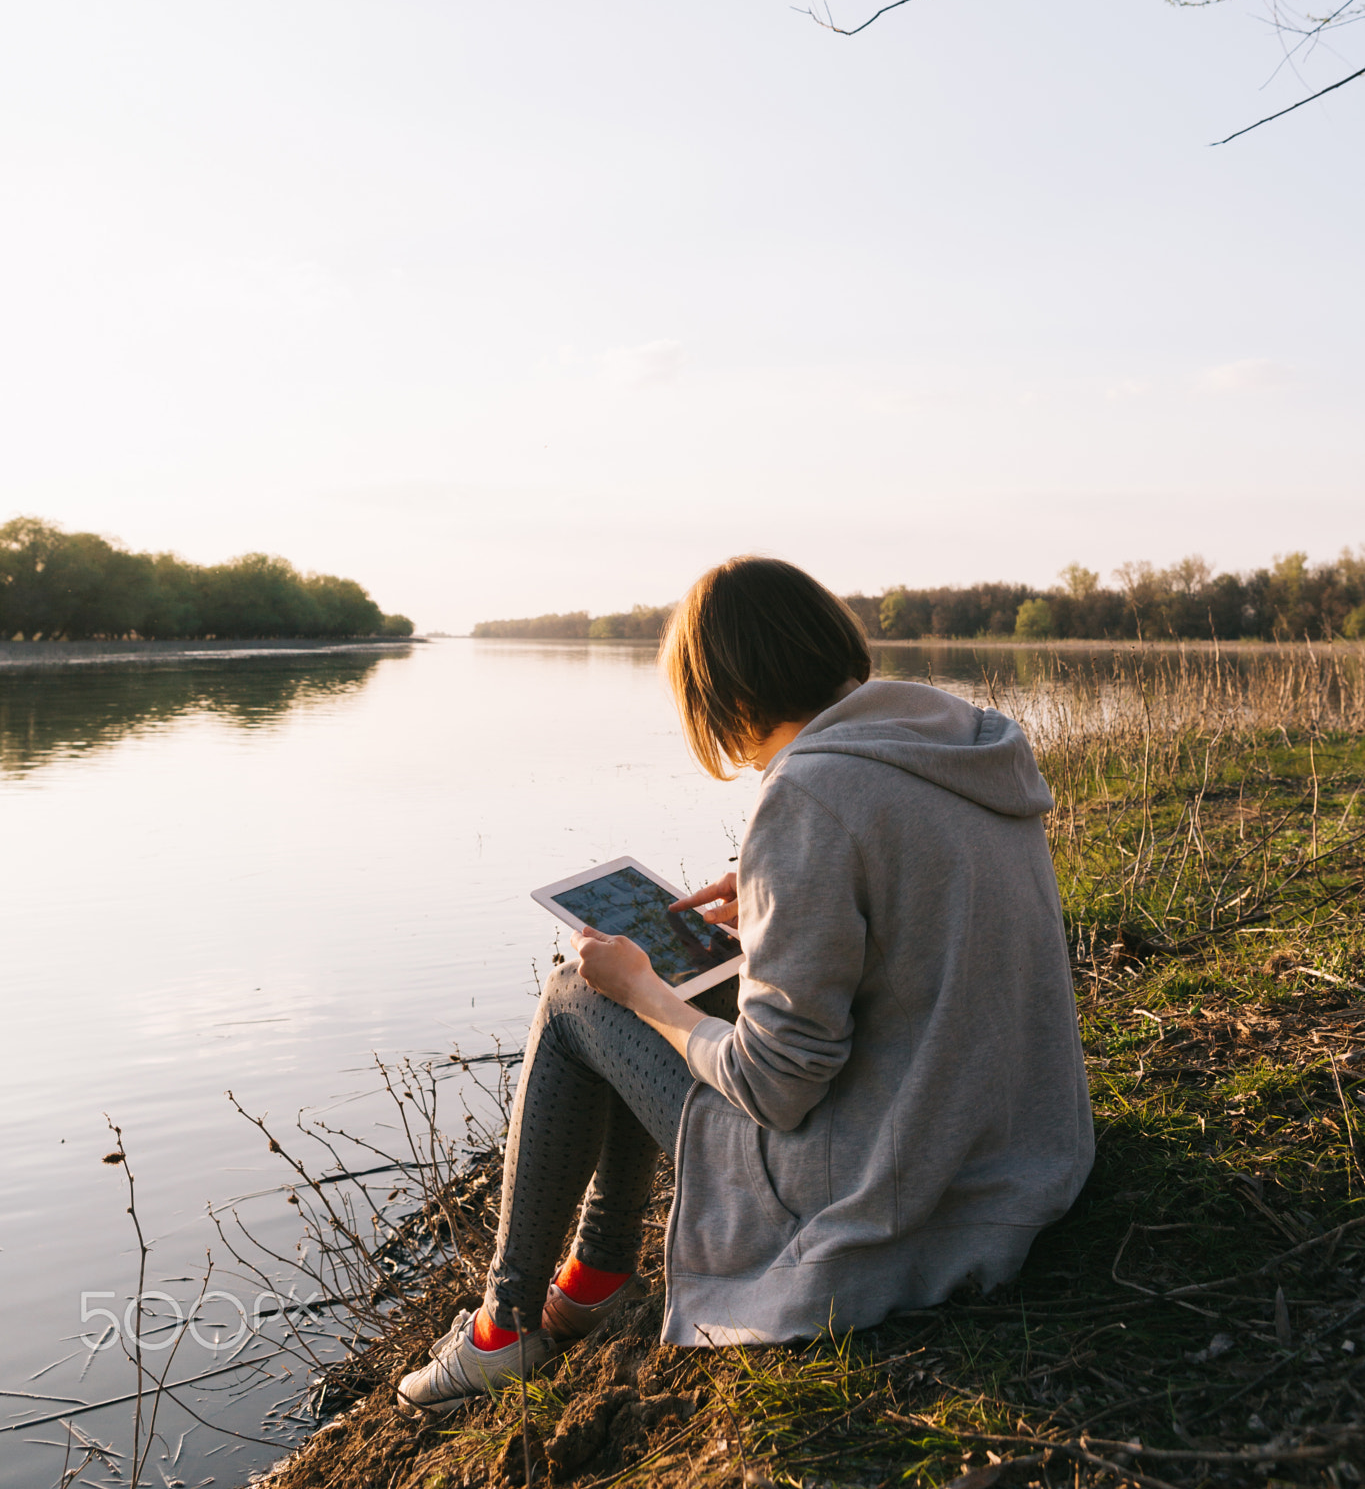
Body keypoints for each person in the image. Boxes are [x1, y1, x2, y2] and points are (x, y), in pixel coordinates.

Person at [399, 557, 1093, 1415]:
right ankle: (590, 1279)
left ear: (720, 693)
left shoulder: (809, 792)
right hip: (1014, 1150)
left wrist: (645, 993)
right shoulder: (953, 740)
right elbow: (911, 898)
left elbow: (776, 1088)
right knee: (659, 992)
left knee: (578, 996)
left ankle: (504, 1327)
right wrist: (778, 895)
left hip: (900, 1191)